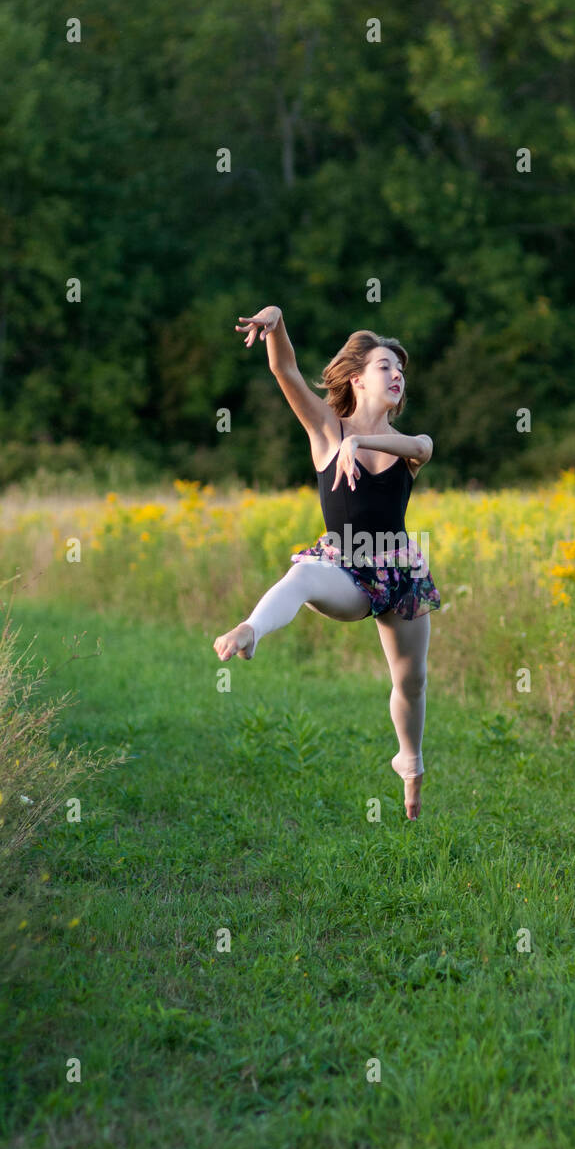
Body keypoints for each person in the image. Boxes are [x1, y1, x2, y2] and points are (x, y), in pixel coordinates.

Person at [213, 306, 441, 820]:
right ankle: (252, 628)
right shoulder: (325, 428)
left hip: (400, 573)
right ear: (358, 379)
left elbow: (422, 446)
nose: (397, 374)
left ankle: (410, 761)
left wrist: (361, 441)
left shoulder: (409, 446)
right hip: (346, 570)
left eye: (400, 369)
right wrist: (277, 322)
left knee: (411, 681)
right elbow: (285, 371)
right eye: (386, 366)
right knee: (303, 575)